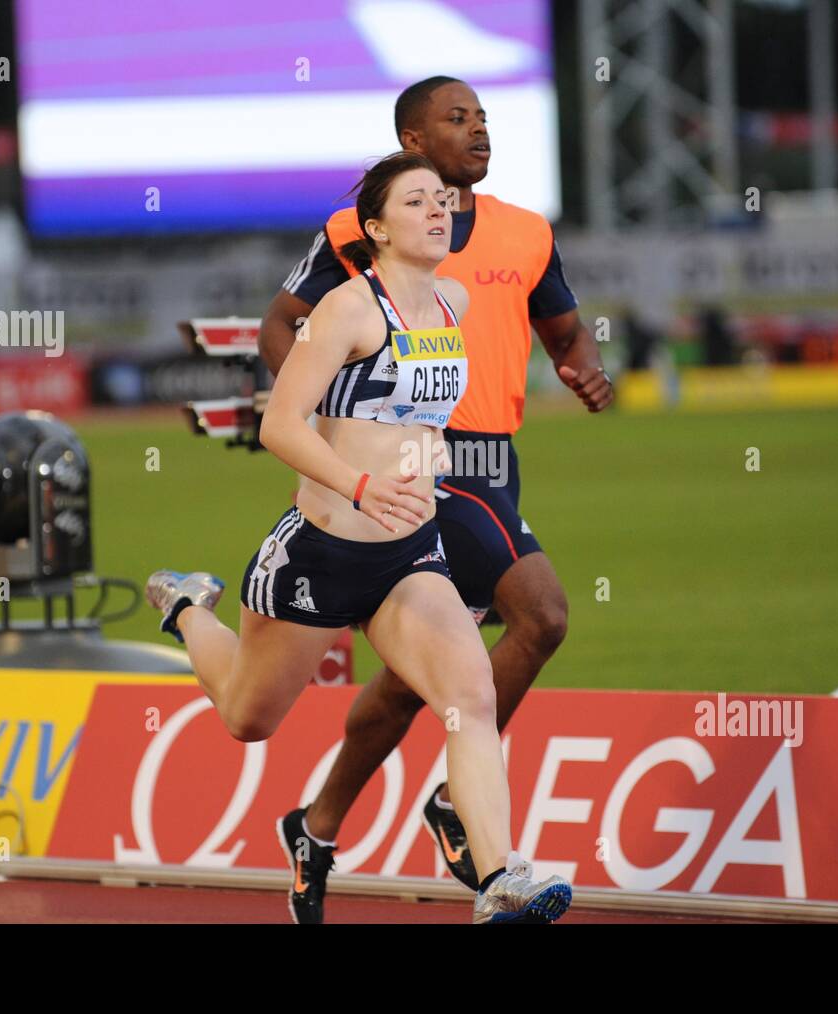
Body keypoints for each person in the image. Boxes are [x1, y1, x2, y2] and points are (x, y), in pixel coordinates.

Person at [147, 151, 571, 925]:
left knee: (470, 701)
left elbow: (419, 416)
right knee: (248, 717)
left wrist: (425, 460)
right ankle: (183, 607)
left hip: (409, 557)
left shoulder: (452, 303)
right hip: (320, 551)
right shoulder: (348, 308)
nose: (439, 212)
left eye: (443, 201)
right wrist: (364, 485)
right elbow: (279, 425)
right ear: (375, 228)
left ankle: (501, 878)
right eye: (418, 203)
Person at [259, 77, 612, 922]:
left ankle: (318, 823)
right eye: (457, 120)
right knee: (545, 614)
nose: (478, 132)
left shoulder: (525, 233)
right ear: (413, 144)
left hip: (496, 466)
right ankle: (466, 816)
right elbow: (282, 323)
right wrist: (339, 421)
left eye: (484, 119)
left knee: (421, 682)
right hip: (425, 470)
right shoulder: (357, 229)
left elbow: (563, 328)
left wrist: (582, 364)